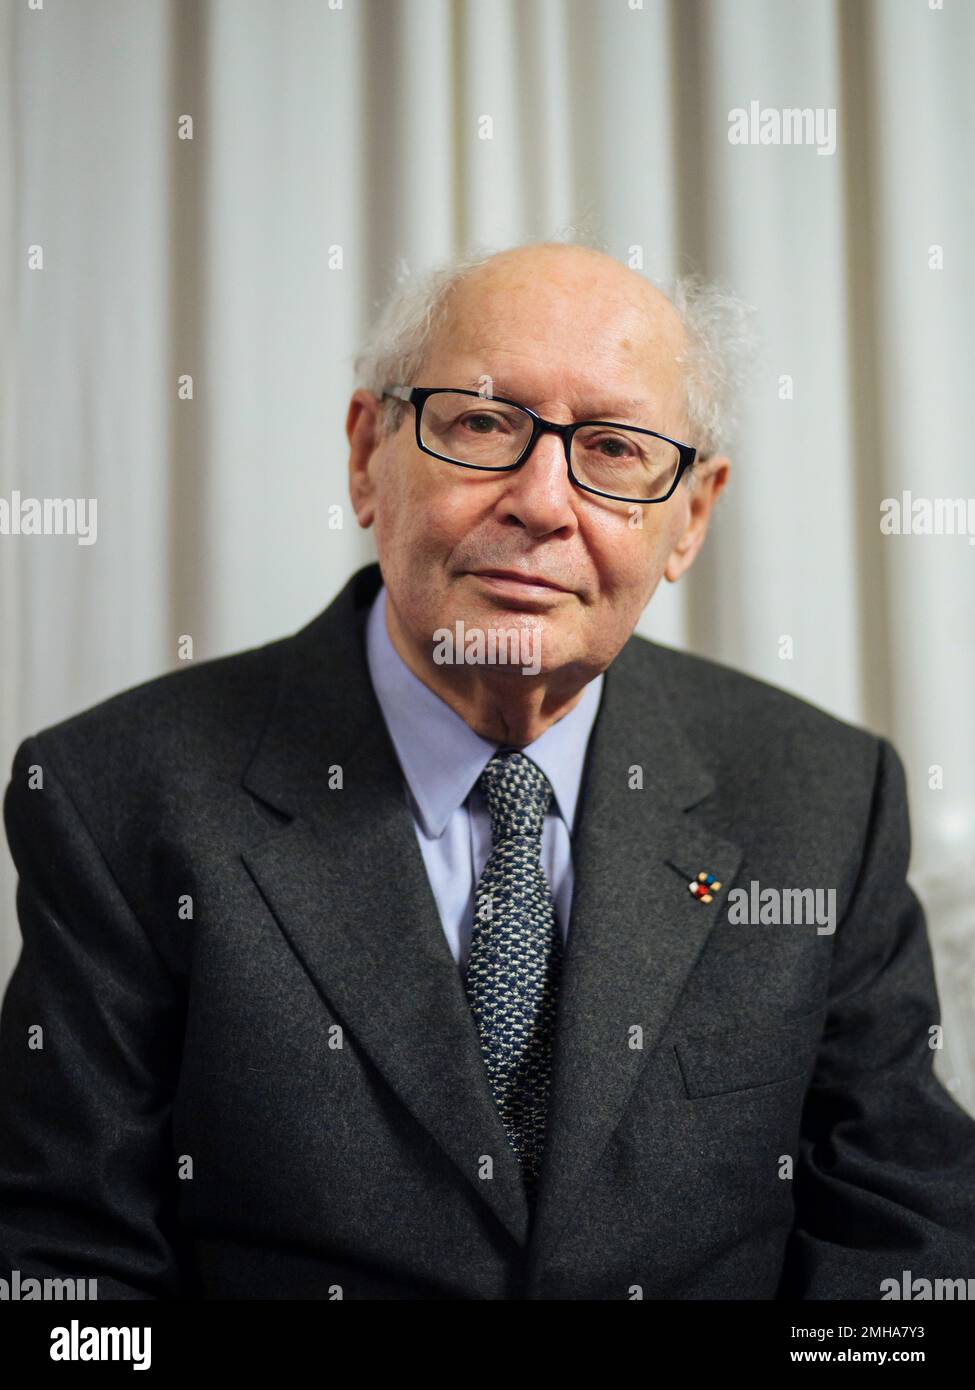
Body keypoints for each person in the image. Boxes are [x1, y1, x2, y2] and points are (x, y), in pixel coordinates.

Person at [1, 242, 973, 1300]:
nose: (543, 502)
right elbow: (67, 1277)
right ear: (368, 453)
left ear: (690, 515)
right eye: (482, 424)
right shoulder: (117, 795)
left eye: (612, 448)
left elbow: (900, 1235)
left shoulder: (827, 798)